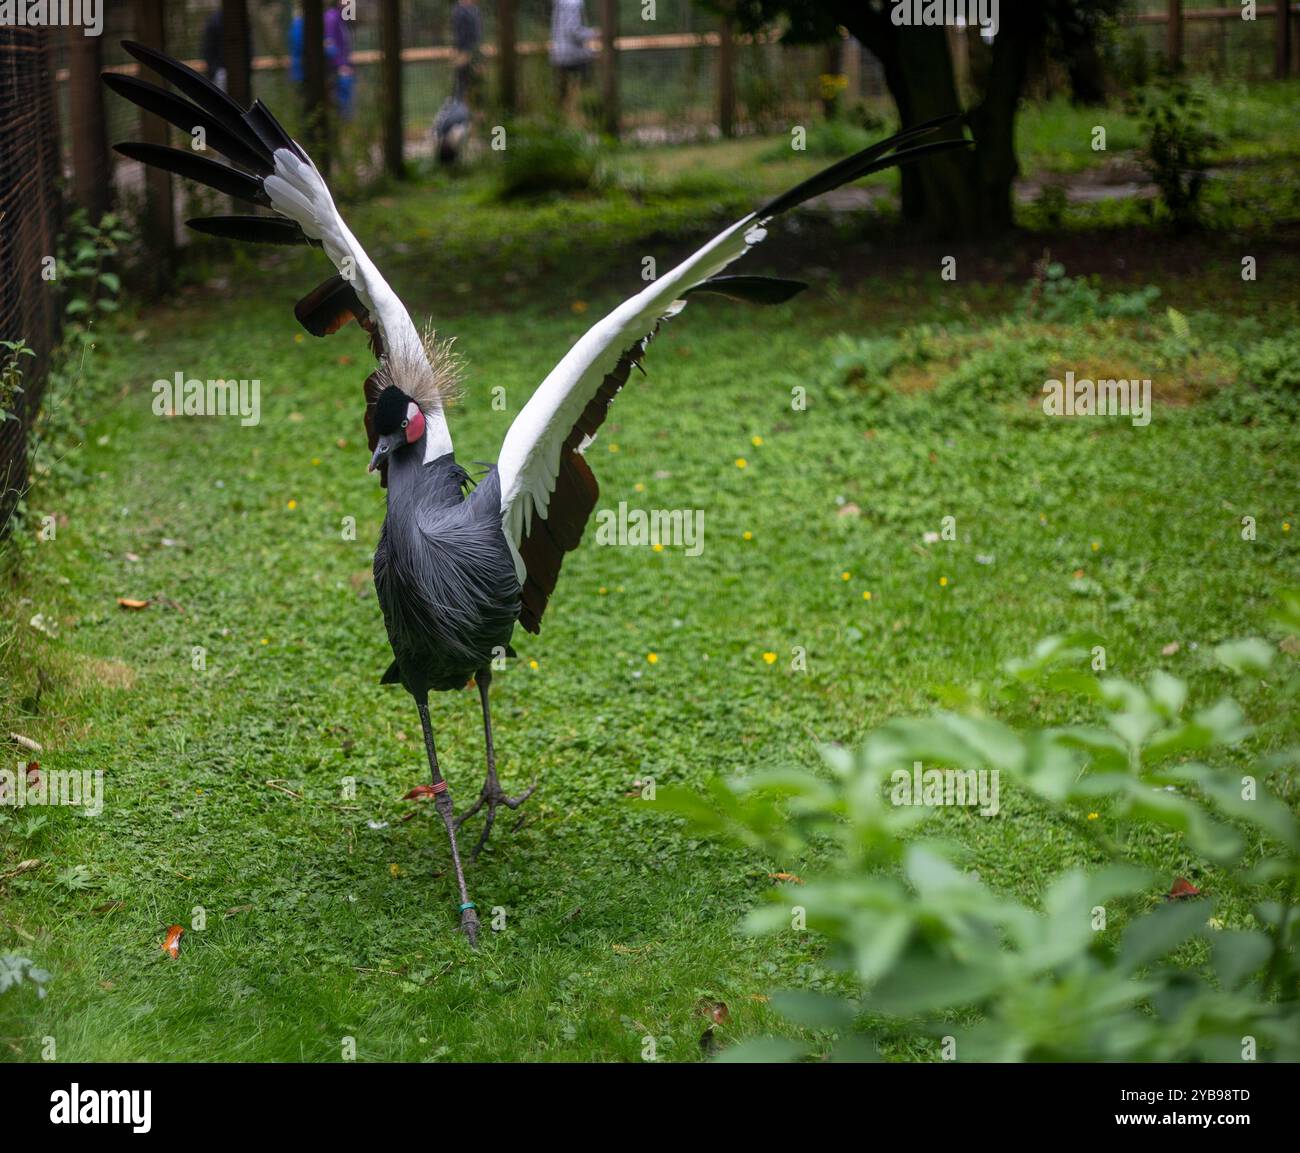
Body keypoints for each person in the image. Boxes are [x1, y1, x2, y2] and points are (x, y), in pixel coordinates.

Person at [549, 0, 594, 119]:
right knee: (584, 95)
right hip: (574, 56)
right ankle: (585, 121)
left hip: (559, 54)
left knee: (561, 97)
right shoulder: (573, 3)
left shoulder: (561, 2)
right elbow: (573, 30)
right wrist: (594, 33)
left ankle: (560, 123)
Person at [450, 0, 483, 106]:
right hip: (464, 54)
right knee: (462, 86)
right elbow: (460, 36)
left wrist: (478, 58)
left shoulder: (475, 10)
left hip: (474, 53)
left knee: (477, 88)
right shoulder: (459, 11)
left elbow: (477, 36)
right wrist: (463, 54)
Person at [324, 1, 354, 118]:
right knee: (340, 106)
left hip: (344, 68)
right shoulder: (331, 17)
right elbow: (329, 44)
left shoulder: (341, 17)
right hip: (338, 70)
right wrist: (341, 65)